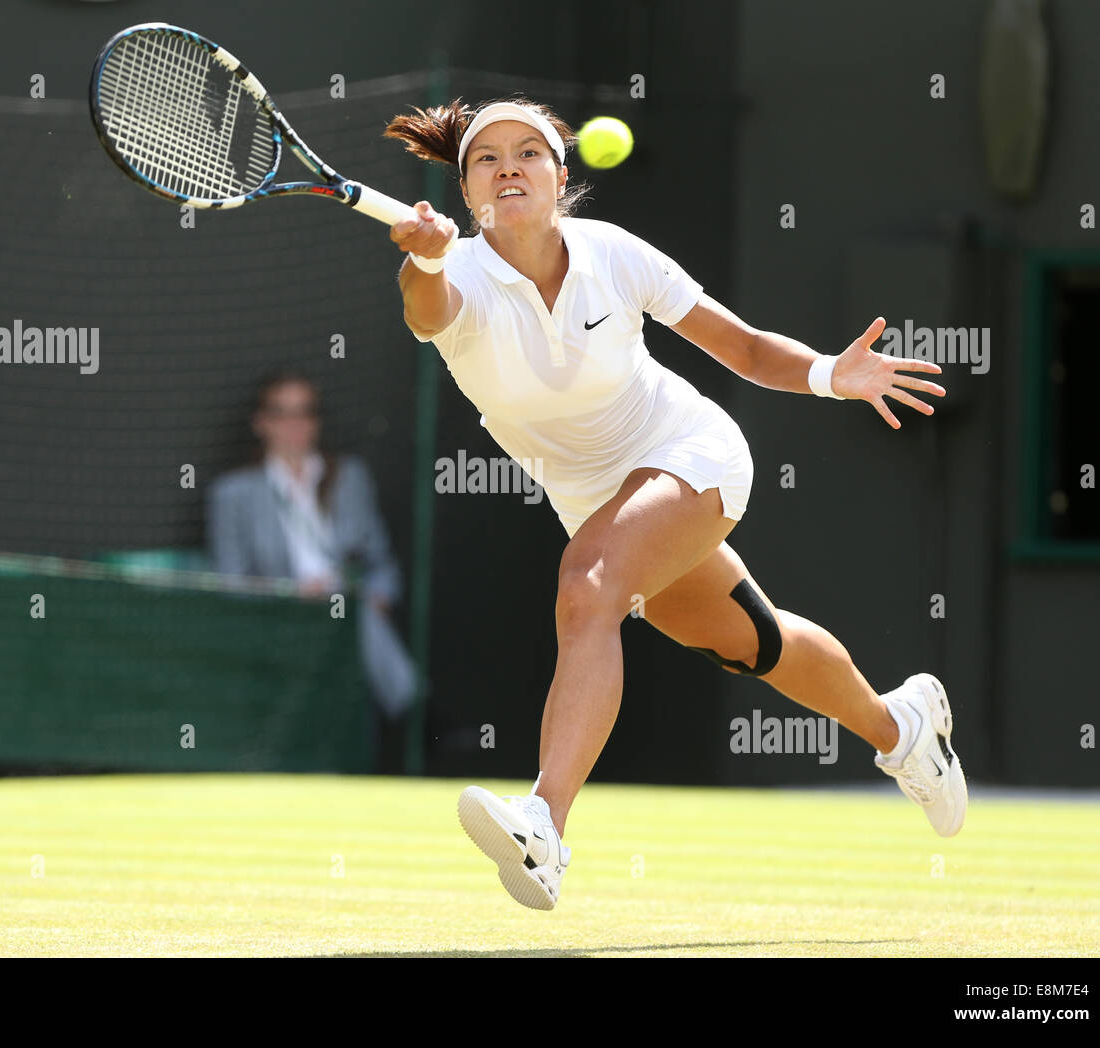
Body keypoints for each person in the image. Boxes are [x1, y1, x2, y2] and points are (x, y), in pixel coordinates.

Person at [383, 98, 966, 911]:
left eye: (528, 154)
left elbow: (746, 348)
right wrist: (428, 261)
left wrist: (836, 373)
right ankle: (903, 730)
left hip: (691, 452)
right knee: (755, 642)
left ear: (560, 179)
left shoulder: (614, 255)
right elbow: (426, 310)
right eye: (487, 159)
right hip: (592, 495)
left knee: (588, 586)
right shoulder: (458, 277)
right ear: (466, 190)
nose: (508, 166)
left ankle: (543, 829)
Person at [207, 371, 418, 737]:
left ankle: (404, 722)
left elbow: (379, 560)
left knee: (354, 611)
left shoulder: (349, 477)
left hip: (350, 608)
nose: (295, 425)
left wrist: (380, 595)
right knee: (350, 614)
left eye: (304, 412)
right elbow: (231, 584)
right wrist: (291, 594)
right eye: (282, 413)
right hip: (284, 615)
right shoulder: (233, 494)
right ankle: (416, 716)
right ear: (262, 423)